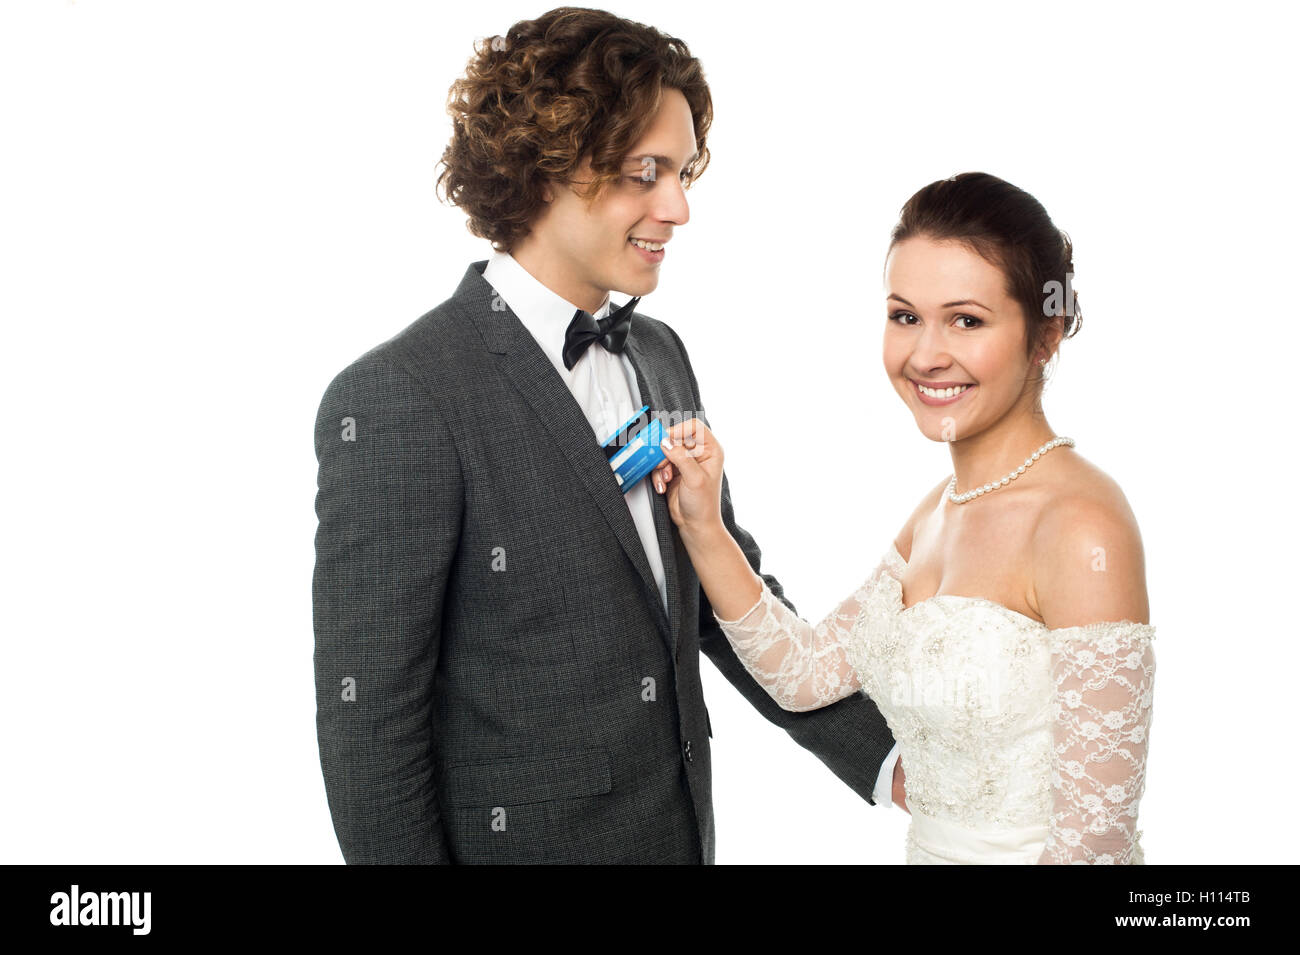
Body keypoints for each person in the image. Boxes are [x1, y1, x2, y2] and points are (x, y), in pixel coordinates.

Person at [311, 6, 900, 865]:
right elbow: (370, 736)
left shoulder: (657, 354)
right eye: (646, 172)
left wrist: (890, 761)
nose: (681, 207)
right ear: (544, 166)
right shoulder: (400, 396)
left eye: (685, 170)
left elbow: (719, 600)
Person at [652, 172, 1157, 864]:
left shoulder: (1082, 526)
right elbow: (804, 673)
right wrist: (704, 523)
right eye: (905, 315)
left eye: (967, 320)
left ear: (1046, 335)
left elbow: (1093, 845)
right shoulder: (936, 512)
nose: (925, 354)